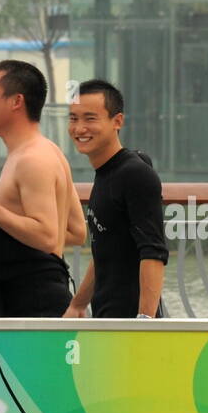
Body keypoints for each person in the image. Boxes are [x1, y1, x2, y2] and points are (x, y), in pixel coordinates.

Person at [0, 60, 86, 317]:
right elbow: (75, 231)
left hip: (33, 300)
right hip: (38, 291)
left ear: (16, 101)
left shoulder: (32, 159)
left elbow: (46, 236)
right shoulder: (48, 150)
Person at [64, 78, 168, 319]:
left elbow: (153, 252)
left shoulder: (134, 174)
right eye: (73, 118)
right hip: (108, 319)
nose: (79, 128)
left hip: (129, 324)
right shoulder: (106, 173)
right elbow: (106, 250)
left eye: (90, 118)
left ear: (117, 121)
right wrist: (78, 304)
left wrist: (144, 323)